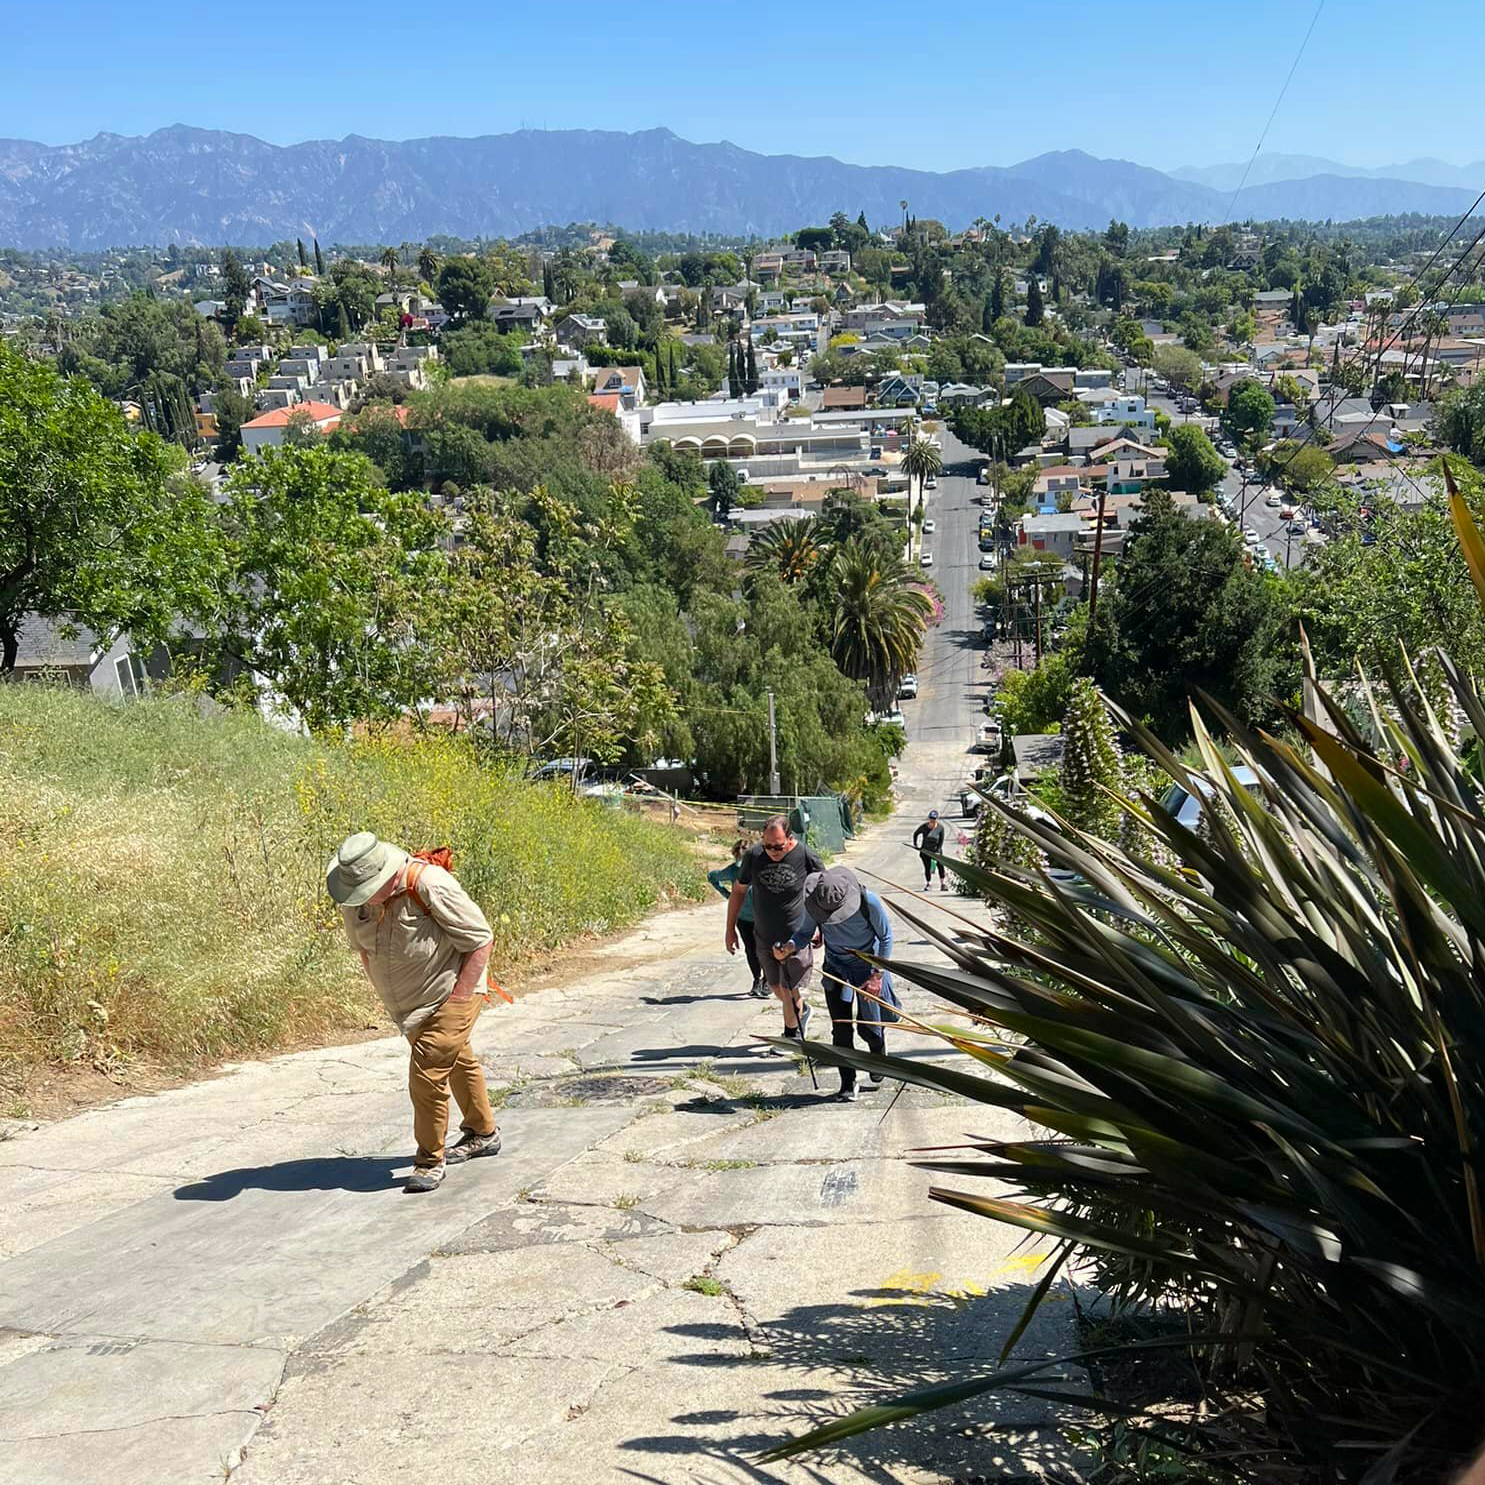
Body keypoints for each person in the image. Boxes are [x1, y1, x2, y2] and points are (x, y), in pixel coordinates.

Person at [328, 832, 502, 1194]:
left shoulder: (429, 884)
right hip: (408, 1005)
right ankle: (483, 1133)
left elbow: (481, 938)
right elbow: (364, 949)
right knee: (455, 1059)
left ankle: (429, 1161)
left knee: (427, 1074)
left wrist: (459, 1000)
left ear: (386, 875)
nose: (361, 898)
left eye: (367, 888)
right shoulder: (354, 900)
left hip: (450, 991)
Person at [725, 814, 824, 1041]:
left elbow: (824, 892)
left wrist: (821, 927)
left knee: (789, 990)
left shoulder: (805, 856)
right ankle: (802, 1012)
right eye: (767, 846)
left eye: (778, 847)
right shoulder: (754, 856)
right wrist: (730, 929)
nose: (772, 852)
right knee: (776, 987)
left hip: (796, 935)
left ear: (790, 839)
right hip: (764, 935)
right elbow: (738, 892)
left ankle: (791, 1036)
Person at [804, 867, 897, 1103]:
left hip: (868, 967)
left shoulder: (869, 902)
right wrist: (789, 946)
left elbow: (886, 938)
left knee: (869, 1028)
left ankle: (877, 1051)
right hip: (836, 968)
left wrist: (877, 976)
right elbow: (803, 932)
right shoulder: (816, 902)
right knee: (841, 1028)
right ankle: (847, 1082)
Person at [708, 839, 767, 997]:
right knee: (754, 949)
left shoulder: (760, 869)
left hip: (761, 917)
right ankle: (758, 980)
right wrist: (729, 896)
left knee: (760, 950)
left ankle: (765, 980)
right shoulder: (735, 870)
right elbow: (712, 876)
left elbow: (712, 877)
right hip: (746, 918)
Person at [913, 809, 948, 890]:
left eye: (934, 819)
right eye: (931, 819)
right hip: (926, 851)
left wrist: (938, 850)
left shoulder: (940, 828)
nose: (932, 821)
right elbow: (916, 833)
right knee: (927, 867)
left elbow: (941, 840)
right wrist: (916, 844)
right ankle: (929, 884)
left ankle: (943, 884)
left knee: (940, 866)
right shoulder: (924, 827)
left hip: (936, 851)